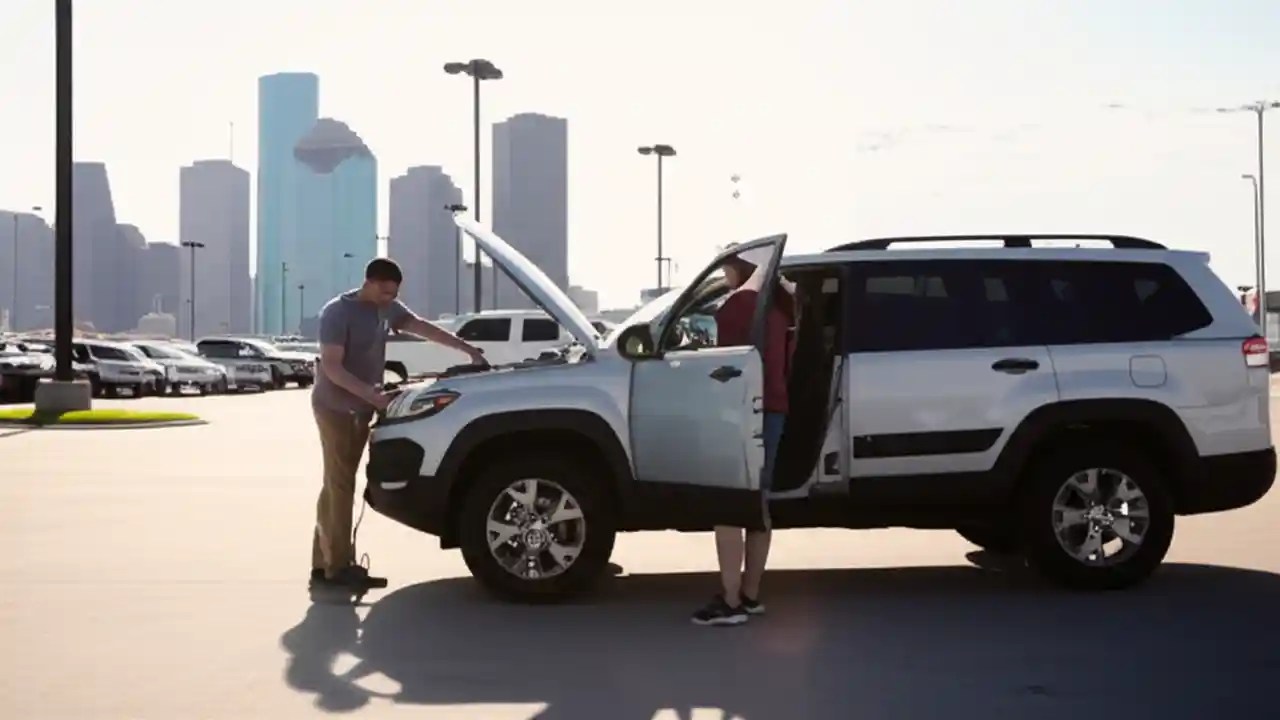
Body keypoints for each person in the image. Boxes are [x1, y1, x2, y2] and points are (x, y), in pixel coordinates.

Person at [309, 257, 486, 591]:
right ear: (370, 282)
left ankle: (324, 563)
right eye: (385, 292)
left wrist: (466, 349)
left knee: (335, 482)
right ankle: (338, 569)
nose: (390, 299)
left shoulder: (385, 308)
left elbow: (420, 326)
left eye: (394, 294)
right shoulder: (337, 313)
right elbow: (332, 367)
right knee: (342, 484)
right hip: (336, 409)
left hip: (361, 406)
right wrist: (372, 396)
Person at [692, 252, 795, 626]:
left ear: (743, 268)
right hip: (775, 410)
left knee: (729, 506)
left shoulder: (738, 305)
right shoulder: (782, 307)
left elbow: (722, 365)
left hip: (741, 410)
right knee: (757, 504)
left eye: (727, 266)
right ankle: (750, 594)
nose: (724, 273)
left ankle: (730, 600)